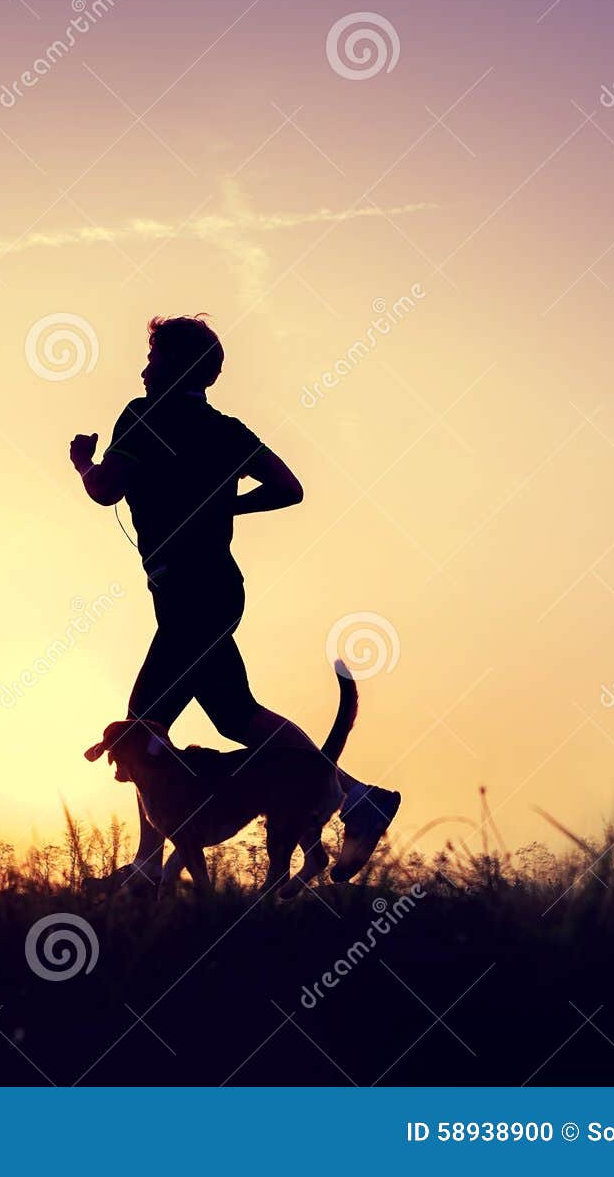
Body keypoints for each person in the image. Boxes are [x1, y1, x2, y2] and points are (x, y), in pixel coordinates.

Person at [69, 314, 400, 885]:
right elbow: (288, 489)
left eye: (153, 359)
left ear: (174, 365)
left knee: (147, 722)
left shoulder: (143, 416)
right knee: (235, 717)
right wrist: (225, 508)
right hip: (219, 590)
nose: (144, 369)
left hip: (186, 595)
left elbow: (105, 490)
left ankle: (150, 867)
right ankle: (358, 797)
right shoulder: (228, 431)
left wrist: (82, 460)